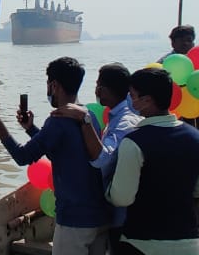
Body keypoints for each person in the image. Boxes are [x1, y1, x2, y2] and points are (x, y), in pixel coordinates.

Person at [0, 57, 110, 254]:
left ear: (54, 85)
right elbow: (61, 149)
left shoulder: (57, 120)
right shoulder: (87, 118)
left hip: (73, 220)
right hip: (97, 216)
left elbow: (22, 156)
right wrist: (31, 129)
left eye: (48, 85)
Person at [106, 68, 199, 255]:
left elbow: (122, 197)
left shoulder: (134, 143)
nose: (130, 100)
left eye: (132, 95)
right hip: (188, 243)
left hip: (141, 243)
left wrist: (106, 187)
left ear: (146, 101)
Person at [52, 63, 143, 253]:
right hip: (104, 210)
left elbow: (103, 160)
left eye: (98, 85)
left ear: (103, 89)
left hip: (120, 215)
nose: (96, 90)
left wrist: (85, 119)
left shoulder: (125, 122)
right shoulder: (119, 115)